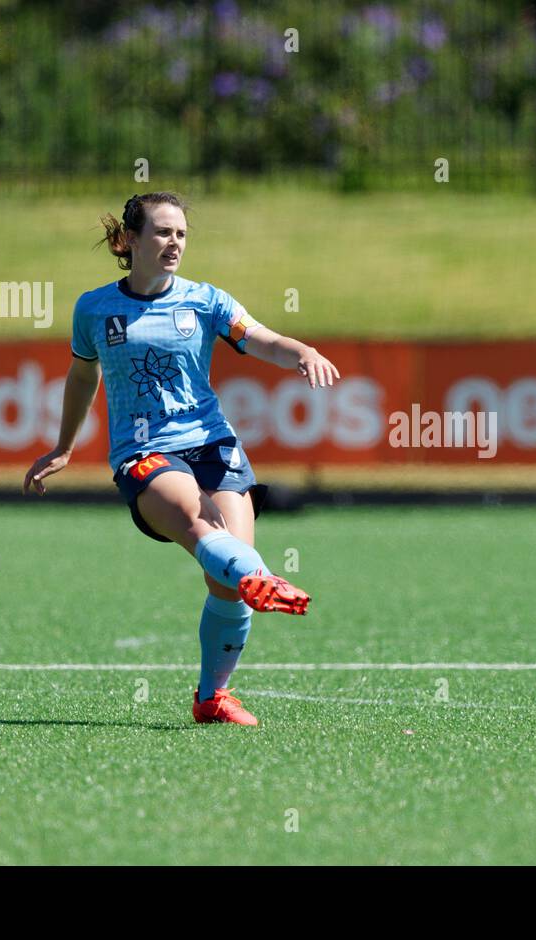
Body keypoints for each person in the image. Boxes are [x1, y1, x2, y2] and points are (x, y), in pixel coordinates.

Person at [24, 192, 340, 726]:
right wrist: (64, 445)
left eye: (181, 234)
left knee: (227, 579)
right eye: (163, 233)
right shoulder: (94, 309)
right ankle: (264, 577)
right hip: (144, 452)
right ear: (131, 241)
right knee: (202, 528)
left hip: (213, 446)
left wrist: (301, 352)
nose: (174, 243)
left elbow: (261, 338)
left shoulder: (206, 300)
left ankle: (211, 697)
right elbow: (83, 375)